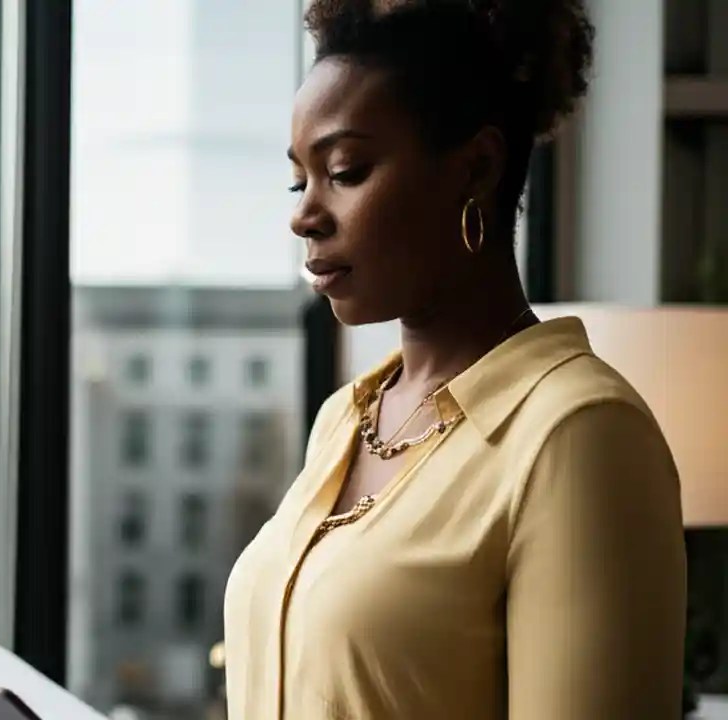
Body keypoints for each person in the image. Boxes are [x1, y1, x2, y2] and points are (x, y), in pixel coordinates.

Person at [221, 0, 687, 718]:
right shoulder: (343, 421)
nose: (303, 214)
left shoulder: (579, 436)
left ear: (476, 168)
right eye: (299, 180)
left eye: (345, 170)